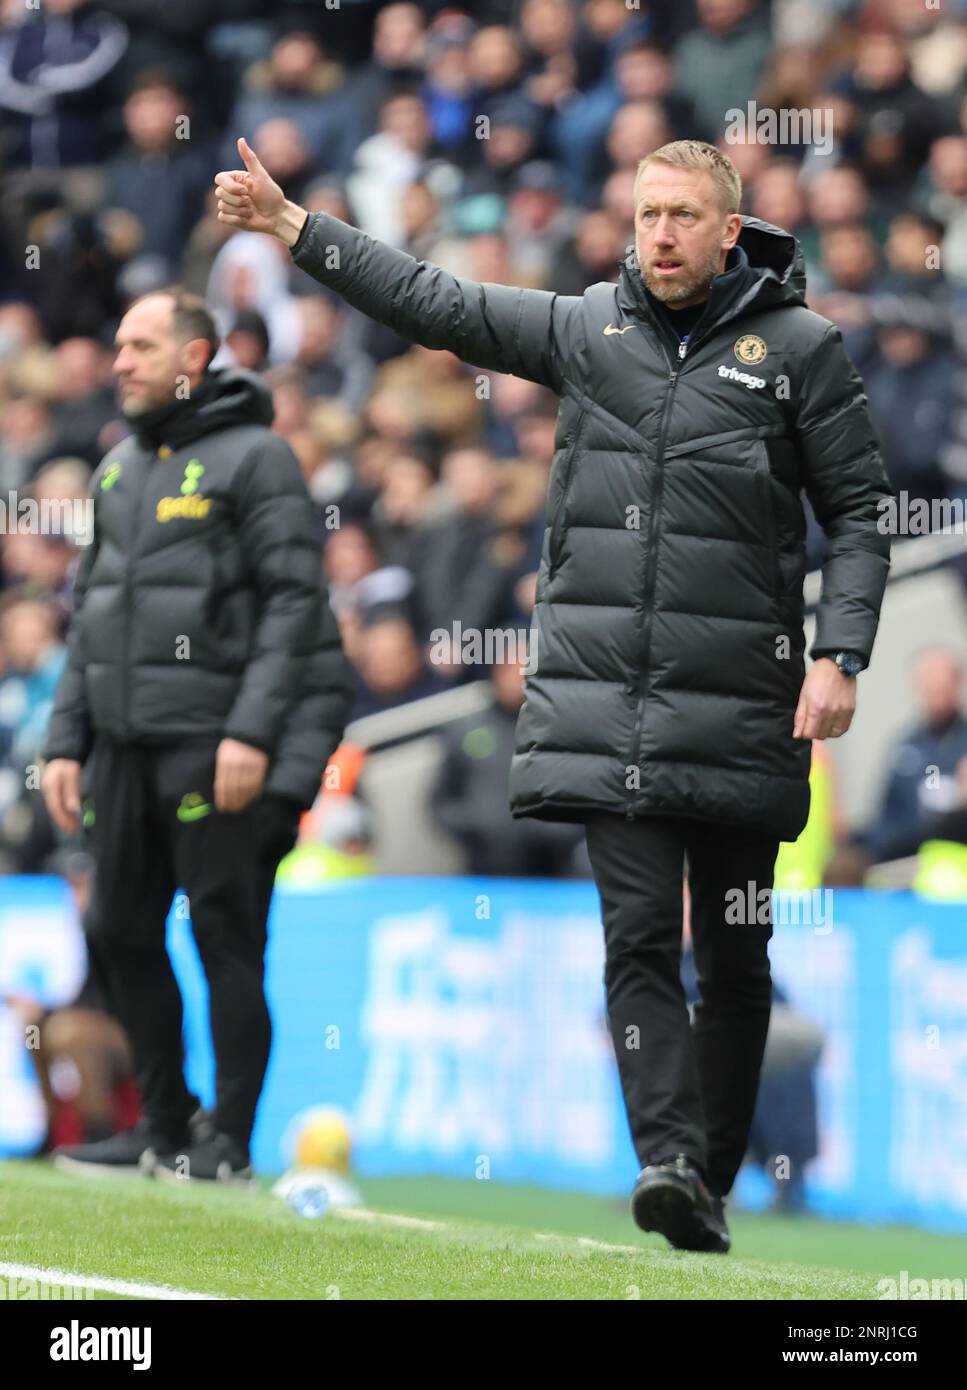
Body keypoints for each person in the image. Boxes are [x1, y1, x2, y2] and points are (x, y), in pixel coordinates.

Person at [214, 136, 892, 1246]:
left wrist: (841, 653)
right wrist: (298, 229)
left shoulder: (800, 350)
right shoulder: (589, 329)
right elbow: (434, 301)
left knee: (734, 956)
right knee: (634, 942)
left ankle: (705, 1182)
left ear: (732, 231)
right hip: (605, 708)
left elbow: (861, 514)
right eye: (645, 214)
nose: (660, 234)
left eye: (682, 216)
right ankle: (668, 1158)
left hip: (745, 709)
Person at [41, 287, 352, 1184]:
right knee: (115, 927)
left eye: (141, 346)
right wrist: (65, 741)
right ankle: (164, 1124)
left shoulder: (258, 459)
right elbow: (88, 621)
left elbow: (298, 606)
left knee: (226, 937)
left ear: (194, 358)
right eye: (118, 346)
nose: (119, 362)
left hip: (217, 748)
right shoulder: (116, 471)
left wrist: (252, 732)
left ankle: (230, 1142)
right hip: (123, 749)